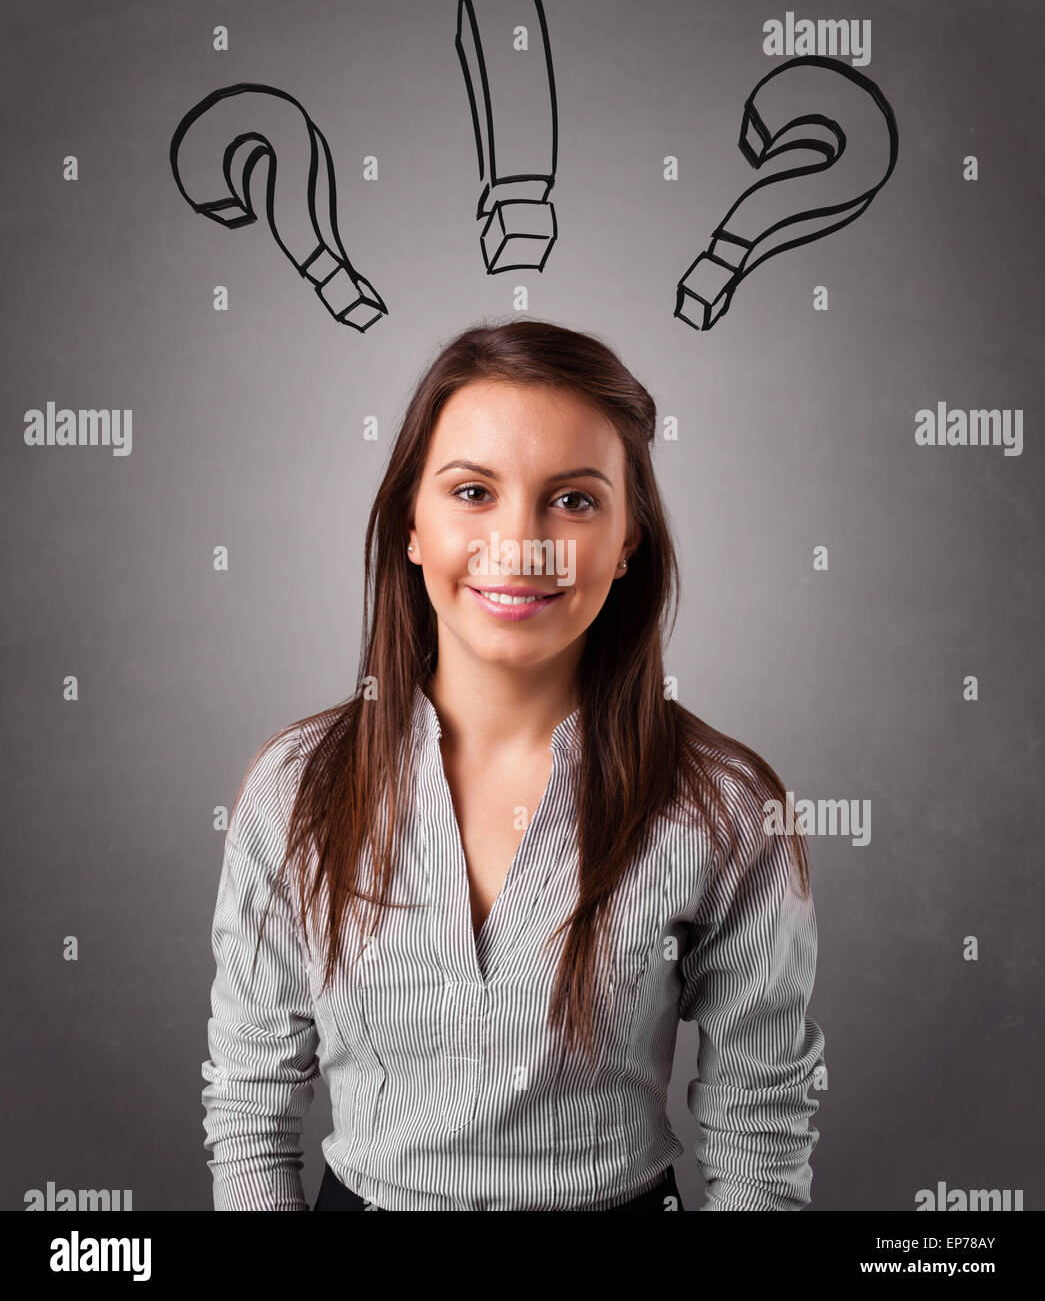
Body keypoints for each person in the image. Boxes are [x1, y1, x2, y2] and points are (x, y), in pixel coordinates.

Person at [201, 317, 826, 1212]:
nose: (521, 543)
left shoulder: (726, 809)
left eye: (572, 500)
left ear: (627, 541)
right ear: (409, 526)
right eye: (471, 491)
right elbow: (249, 1106)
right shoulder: (295, 788)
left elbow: (761, 1139)